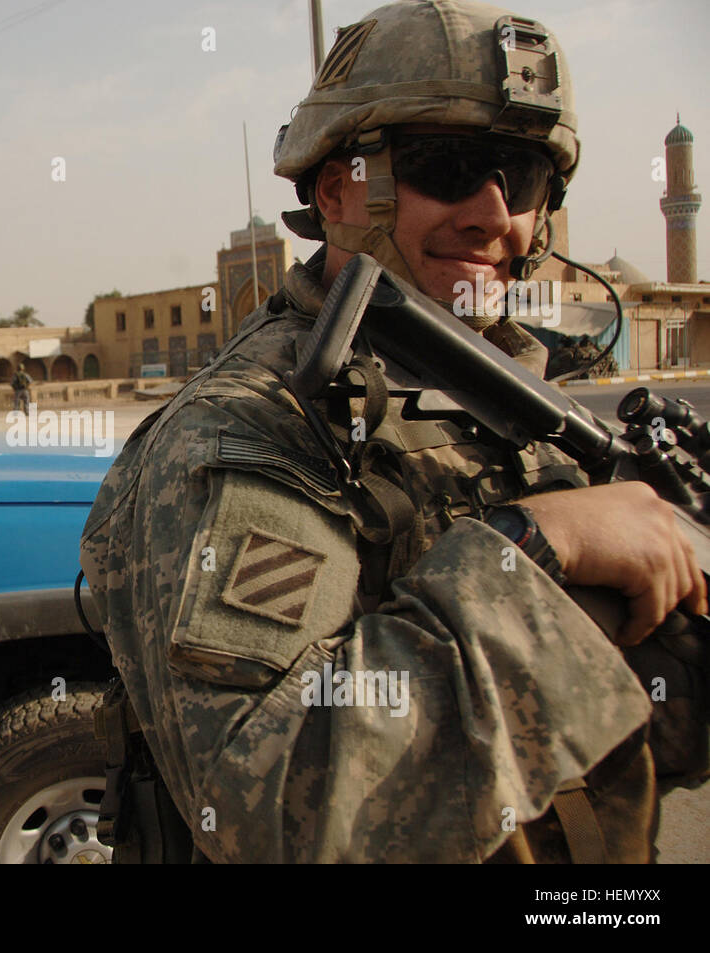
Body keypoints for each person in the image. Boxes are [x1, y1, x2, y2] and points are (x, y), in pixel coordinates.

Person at [80, 0, 707, 863]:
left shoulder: (527, 414)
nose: (493, 215)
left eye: (520, 178)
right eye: (447, 167)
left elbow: (615, 739)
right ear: (337, 190)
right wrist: (535, 545)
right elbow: (274, 806)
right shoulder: (251, 425)